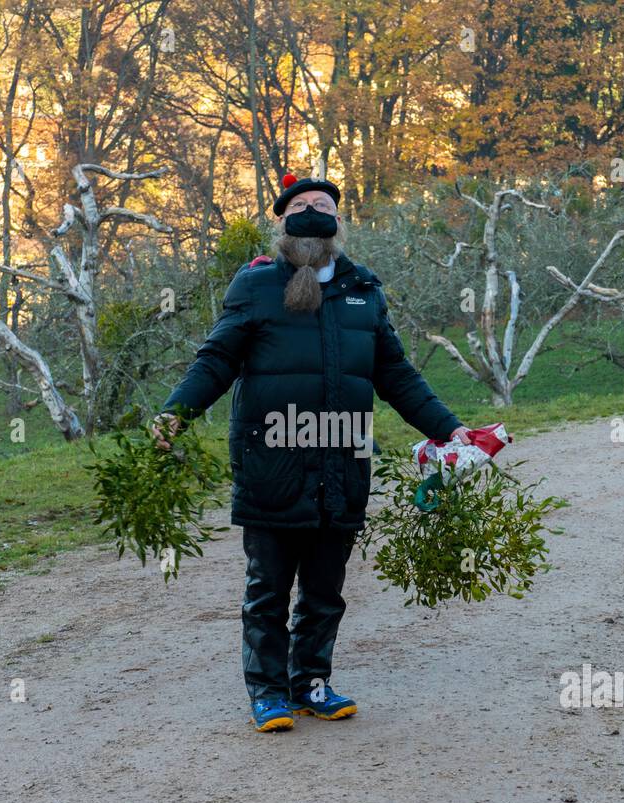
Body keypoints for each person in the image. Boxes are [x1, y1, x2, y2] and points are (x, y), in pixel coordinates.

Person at [153, 173, 472, 732]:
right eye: (299, 206)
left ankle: (312, 682)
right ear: (282, 222)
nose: (310, 212)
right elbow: (216, 361)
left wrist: (448, 429)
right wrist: (176, 414)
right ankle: (270, 691)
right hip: (270, 461)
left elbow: (395, 374)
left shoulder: (363, 290)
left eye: (321, 205)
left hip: (341, 463)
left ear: (337, 224)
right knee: (268, 588)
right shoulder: (255, 286)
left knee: (326, 589)